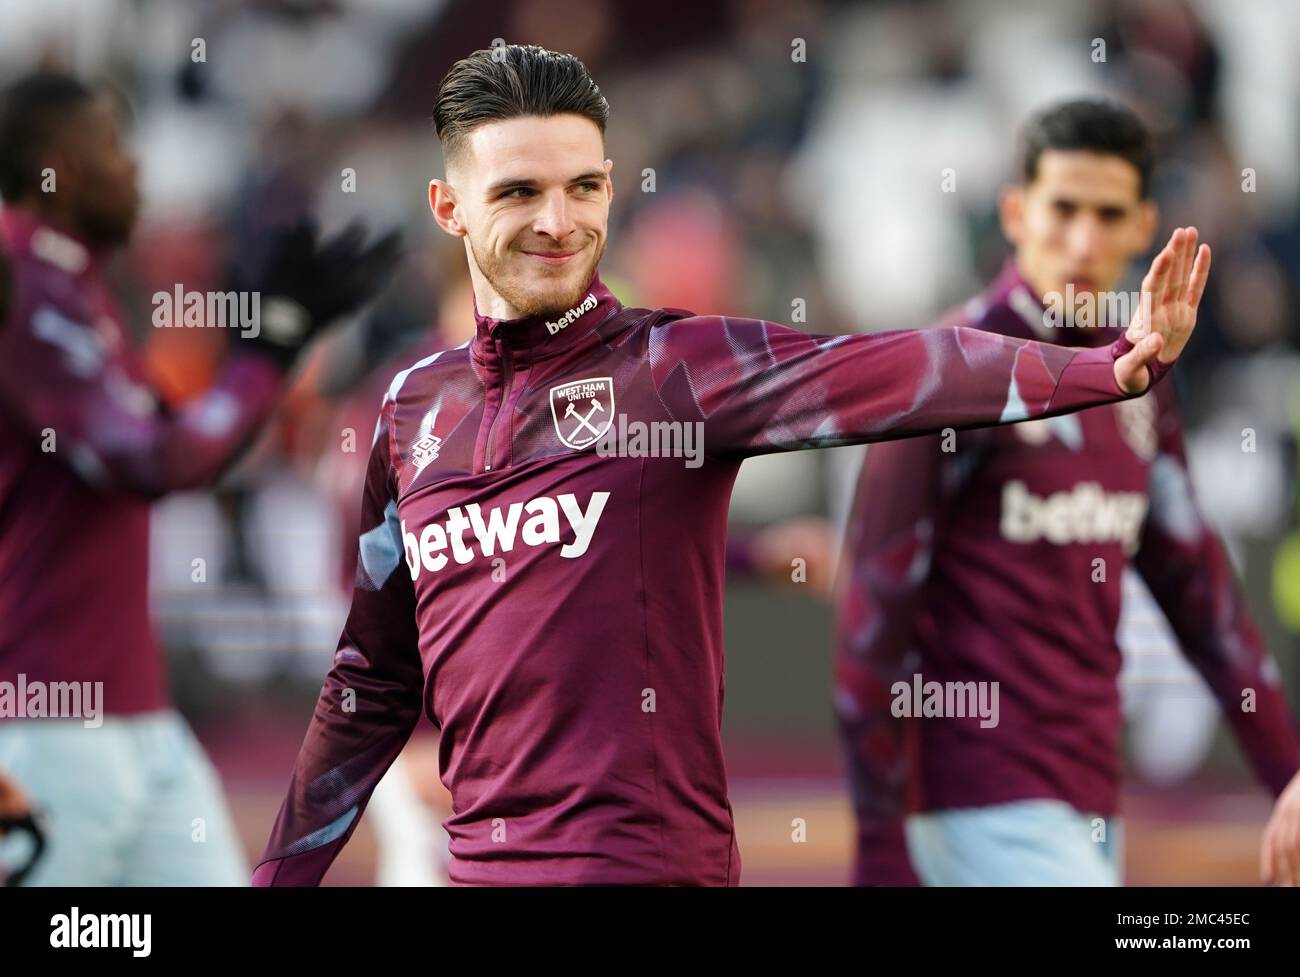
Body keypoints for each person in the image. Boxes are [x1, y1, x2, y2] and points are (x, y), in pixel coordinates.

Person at [254, 46, 1208, 887]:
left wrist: (1098, 366)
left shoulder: (677, 370)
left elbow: (896, 368)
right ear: (448, 206)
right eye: (518, 192)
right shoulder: (408, 409)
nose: (559, 220)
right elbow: (371, 681)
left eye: (584, 187)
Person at [833, 98, 1298, 886]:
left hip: (1085, 801)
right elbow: (871, 616)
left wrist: (1286, 771)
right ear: (1016, 212)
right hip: (972, 800)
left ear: (1144, 223)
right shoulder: (947, 378)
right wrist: (880, 846)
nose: (1083, 240)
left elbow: (1199, 593)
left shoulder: (1141, 384)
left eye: (1108, 212)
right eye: (1063, 208)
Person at [0, 71, 399, 885]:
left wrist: (273, 347)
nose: (133, 171)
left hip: (130, 718)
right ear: (58, 163)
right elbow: (157, 457)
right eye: (112, 146)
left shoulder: (64, 281)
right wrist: (267, 353)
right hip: (47, 724)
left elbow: (167, 446)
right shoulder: (22, 277)